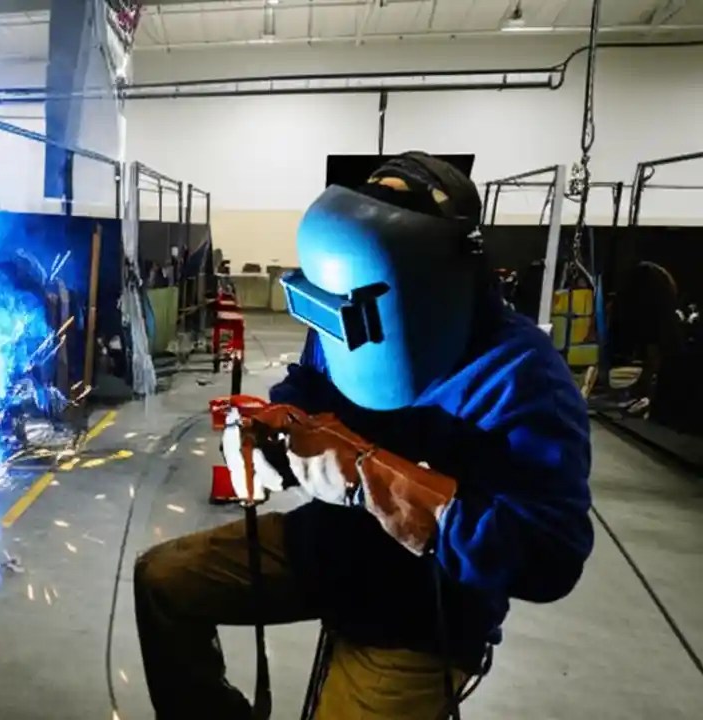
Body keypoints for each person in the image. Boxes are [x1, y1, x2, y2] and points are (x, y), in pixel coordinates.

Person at [134, 152, 593, 719]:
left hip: (425, 614)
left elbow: (552, 559)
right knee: (163, 582)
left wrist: (376, 479)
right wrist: (270, 431)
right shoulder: (346, 307)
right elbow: (305, 386)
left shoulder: (522, 374)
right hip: (329, 548)